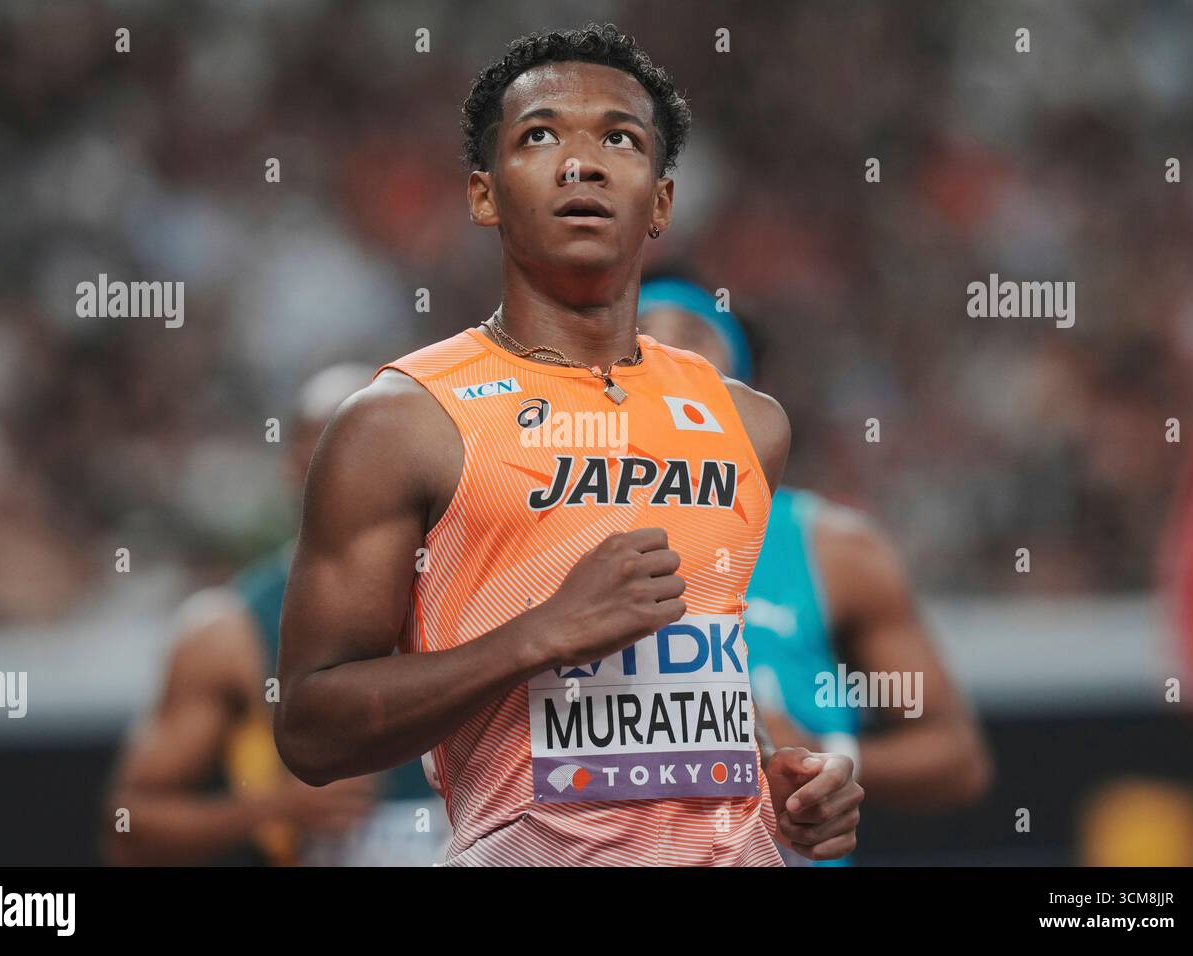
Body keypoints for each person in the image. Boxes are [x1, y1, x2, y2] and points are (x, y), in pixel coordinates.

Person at [274, 23, 863, 867]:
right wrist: (538, 636)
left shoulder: (747, 423)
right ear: (484, 194)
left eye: (619, 139)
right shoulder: (404, 421)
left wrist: (776, 778)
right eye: (540, 135)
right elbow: (310, 727)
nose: (580, 164)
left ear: (658, 202)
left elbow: (686, 681)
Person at [638, 275, 993, 865]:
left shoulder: (831, 547)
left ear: (750, 394)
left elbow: (956, 761)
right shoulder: (528, 534)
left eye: (695, 344)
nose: (665, 363)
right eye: (640, 342)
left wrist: (818, 752)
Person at [104, 364, 448, 866]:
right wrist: (276, 808)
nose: (364, 466)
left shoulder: (486, 593)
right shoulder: (226, 632)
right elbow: (130, 822)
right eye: (336, 443)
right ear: (295, 462)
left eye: (386, 446)